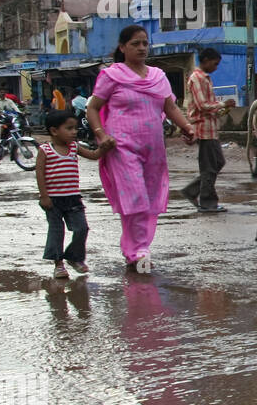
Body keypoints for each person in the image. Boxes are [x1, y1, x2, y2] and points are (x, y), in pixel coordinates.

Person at [87, 24, 198, 271]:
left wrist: (186, 127)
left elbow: (169, 107)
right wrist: (101, 134)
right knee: (135, 196)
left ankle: (135, 247)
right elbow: (92, 108)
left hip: (153, 147)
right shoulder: (111, 75)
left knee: (149, 199)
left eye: (145, 43)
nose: (141, 48)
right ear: (122, 47)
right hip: (121, 146)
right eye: (135, 43)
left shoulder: (158, 76)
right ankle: (139, 250)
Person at [37, 109, 108, 278]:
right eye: (69, 128)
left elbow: (93, 155)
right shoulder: (45, 150)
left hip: (73, 198)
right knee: (56, 231)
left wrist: (104, 148)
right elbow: (39, 173)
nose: (74, 132)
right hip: (53, 200)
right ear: (54, 131)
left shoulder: (74, 147)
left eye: (75, 128)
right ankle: (58, 264)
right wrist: (44, 196)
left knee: (82, 228)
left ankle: (74, 257)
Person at [181, 48, 237, 213]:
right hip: (203, 128)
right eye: (215, 64)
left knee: (217, 163)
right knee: (210, 167)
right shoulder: (197, 78)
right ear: (205, 60)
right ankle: (207, 202)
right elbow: (202, 105)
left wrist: (223, 109)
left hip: (210, 128)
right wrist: (222, 104)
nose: (216, 67)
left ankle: (192, 191)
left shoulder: (205, 78)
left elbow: (209, 108)